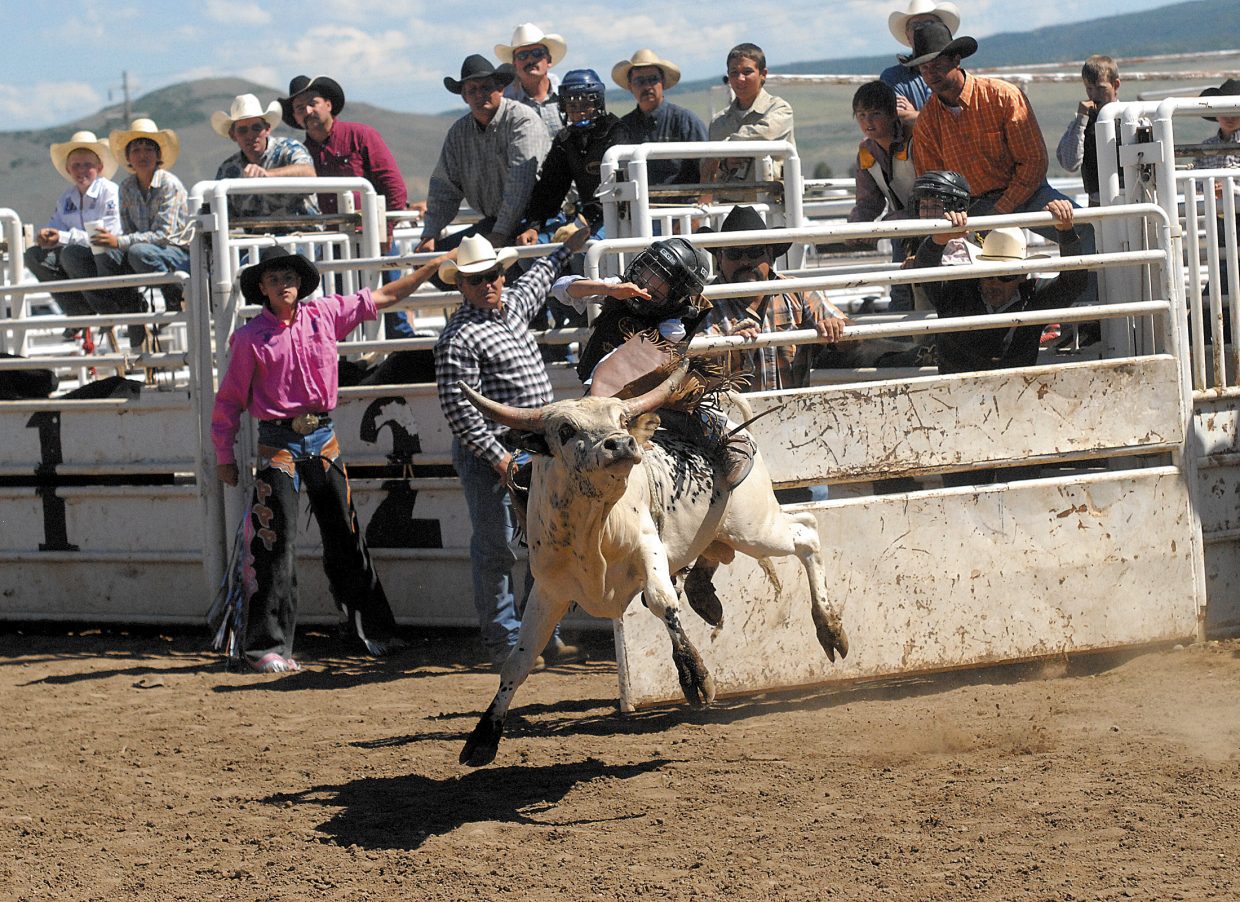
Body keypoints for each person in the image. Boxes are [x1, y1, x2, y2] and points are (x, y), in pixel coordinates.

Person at [210, 248, 450, 672]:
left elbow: (386, 296)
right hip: (279, 443)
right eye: (273, 278)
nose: (284, 283)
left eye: (289, 276)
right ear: (262, 289)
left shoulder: (325, 314)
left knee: (345, 535)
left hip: (321, 436)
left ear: (299, 283)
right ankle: (266, 645)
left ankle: (370, 631)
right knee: (273, 543)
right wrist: (223, 455)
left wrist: (429, 268)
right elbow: (229, 401)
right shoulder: (249, 340)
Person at [434, 232, 589, 669]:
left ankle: (537, 634)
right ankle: (504, 641)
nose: (488, 283)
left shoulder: (513, 306)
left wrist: (567, 248)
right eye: (477, 278)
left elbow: (539, 276)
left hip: (531, 451)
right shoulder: (458, 337)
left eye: (493, 275)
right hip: (497, 453)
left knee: (543, 542)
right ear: (461, 286)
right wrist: (496, 456)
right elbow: (460, 410)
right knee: (498, 546)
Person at [554, 237, 757, 487]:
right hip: (598, 397)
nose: (646, 280)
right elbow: (562, 287)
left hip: (647, 399)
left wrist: (728, 339)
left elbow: (683, 351)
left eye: (660, 280)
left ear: (676, 293)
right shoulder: (619, 287)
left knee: (676, 411)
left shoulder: (675, 323)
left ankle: (730, 439)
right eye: (648, 269)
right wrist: (610, 289)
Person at [914, 199, 1085, 376]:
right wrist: (936, 241)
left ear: (1022, 277)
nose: (994, 282)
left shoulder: (1033, 295)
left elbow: (1074, 283)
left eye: (1005, 276)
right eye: (987, 274)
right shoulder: (957, 290)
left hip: (1010, 393)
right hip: (960, 395)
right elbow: (924, 273)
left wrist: (1066, 232)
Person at [700, 205, 847, 392]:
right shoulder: (704, 303)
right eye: (734, 254)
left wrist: (836, 326)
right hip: (731, 416)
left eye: (754, 252)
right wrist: (728, 352)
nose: (745, 261)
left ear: (769, 255)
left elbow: (850, 333)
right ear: (720, 258)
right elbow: (693, 365)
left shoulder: (797, 292)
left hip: (793, 412)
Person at [418, 55, 552, 254]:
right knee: (431, 263)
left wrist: (499, 234)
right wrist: (430, 234)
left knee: (512, 263)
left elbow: (520, 185)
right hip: (497, 223)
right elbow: (444, 187)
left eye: (486, 87)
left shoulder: (523, 121)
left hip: (537, 221)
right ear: (464, 96)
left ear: (500, 88)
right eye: (472, 90)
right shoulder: (459, 133)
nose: (479, 94)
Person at [24, 131, 121, 341]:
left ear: (99, 168)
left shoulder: (110, 192)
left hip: (106, 258)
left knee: (71, 254)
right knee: (33, 255)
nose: (81, 170)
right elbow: (55, 227)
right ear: (68, 170)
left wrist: (62, 237)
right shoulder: (66, 198)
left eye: (87, 165)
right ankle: (77, 310)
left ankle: (104, 309)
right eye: (76, 165)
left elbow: (107, 236)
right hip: (78, 260)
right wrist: (46, 236)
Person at [516, 68, 624, 245]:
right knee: (531, 251)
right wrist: (533, 226)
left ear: (598, 103)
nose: (579, 112)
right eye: (573, 106)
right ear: (564, 107)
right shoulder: (565, 139)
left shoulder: (616, 132)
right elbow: (549, 189)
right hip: (581, 218)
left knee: (583, 253)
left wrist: (583, 221)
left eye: (585, 105)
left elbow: (617, 190)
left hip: (615, 217)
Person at [280, 75, 407, 222]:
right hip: (326, 239)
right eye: (300, 108)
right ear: (295, 117)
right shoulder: (299, 155)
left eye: (313, 103)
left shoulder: (361, 135)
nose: (308, 111)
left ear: (328, 105)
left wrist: (386, 229)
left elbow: (393, 185)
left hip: (367, 233)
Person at [847, 81, 917, 309]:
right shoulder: (867, 150)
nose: (868, 122)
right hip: (902, 231)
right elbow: (869, 200)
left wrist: (885, 225)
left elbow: (932, 198)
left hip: (935, 226)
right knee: (902, 293)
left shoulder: (916, 141)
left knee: (933, 291)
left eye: (875, 114)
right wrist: (857, 226)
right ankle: (908, 344)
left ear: (892, 114)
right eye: (862, 114)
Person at [211, 93, 319, 229]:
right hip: (254, 245)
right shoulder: (227, 169)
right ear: (233, 135)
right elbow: (222, 213)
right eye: (243, 130)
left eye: (256, 128)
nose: (250, 135)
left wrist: (268, 174)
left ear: (267, 129)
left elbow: (308, 173)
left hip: (301, 239)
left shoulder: (289, 149)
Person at [612, 48, 708, 192]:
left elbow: (707, 165)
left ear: (662, 82)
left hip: (682, 209)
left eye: (653, 79)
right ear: (630, 87)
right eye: (640, 81)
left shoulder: (685, 121)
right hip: (638, 210)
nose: (647, 86)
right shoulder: (623, 127)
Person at [705, 43, 795, 185]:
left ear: (763, 74)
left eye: (747, 72)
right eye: (734, 73)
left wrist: (725, 149)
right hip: (728, 203)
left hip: (769, 202)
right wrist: (726, 164)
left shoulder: (780, 110)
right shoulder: (718, 123)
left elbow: (762, 134)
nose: (740, 79)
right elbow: (709, 169)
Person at [1193, 78, 1240, 301]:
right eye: (1225, 110)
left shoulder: (1206, 148)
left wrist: (1231, 189)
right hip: (1220, 219)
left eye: (1235, 110)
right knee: (1224, 266)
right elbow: (1198, 183)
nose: (1230, 117)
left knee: (1225, 269)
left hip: (1228, 216)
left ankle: (1206, 322)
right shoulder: (1206, 147)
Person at [881, 0, 961, 128]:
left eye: (929, 23)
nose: (923, 29)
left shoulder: (954, 71)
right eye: (916, 26)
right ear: (907, 34)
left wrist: (915, 115)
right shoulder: (893, 77)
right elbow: (899, 116)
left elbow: (962, 117)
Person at [1056, 55, 1123, 207]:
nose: (1094, 95)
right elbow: (1070, 164)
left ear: (1116, 85)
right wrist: (1081, 121)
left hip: (1131, 199)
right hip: (1097, 202)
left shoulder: (1130, 118)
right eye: (1089, 89)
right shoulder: (1083, 122)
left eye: (1101, 88)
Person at [495, 23, 566, 138]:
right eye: (522, 55)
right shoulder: (505, 107)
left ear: (549, 60)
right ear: (514, 63)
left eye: (537, 53)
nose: (530, 59)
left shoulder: (568, 96)